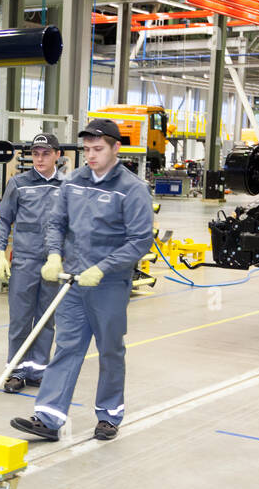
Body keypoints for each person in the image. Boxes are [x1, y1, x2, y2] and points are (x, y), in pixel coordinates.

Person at [10, 118, 154, 442]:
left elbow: (140, 240)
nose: (91, 155)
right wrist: (53, 255)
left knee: (110, 351)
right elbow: (56, 224)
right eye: (87, 149)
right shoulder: (73, 182)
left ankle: (109, 415)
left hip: (108, 286)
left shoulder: (132, 189)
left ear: (116, 148)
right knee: (67, 348)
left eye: (98, 149)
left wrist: (104, 268)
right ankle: (48, 418)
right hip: (73, 282)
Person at [0, 132, 65, 392]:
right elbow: (3, 219)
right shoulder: (19, 184)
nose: (40, 158)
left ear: (57, 155)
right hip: (25, 261)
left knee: (46, 319)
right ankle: (16, 370)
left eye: (46, 153)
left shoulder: (66, 186)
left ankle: (38, 370)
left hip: (54, 263)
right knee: (21, 319)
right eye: (35, 154)